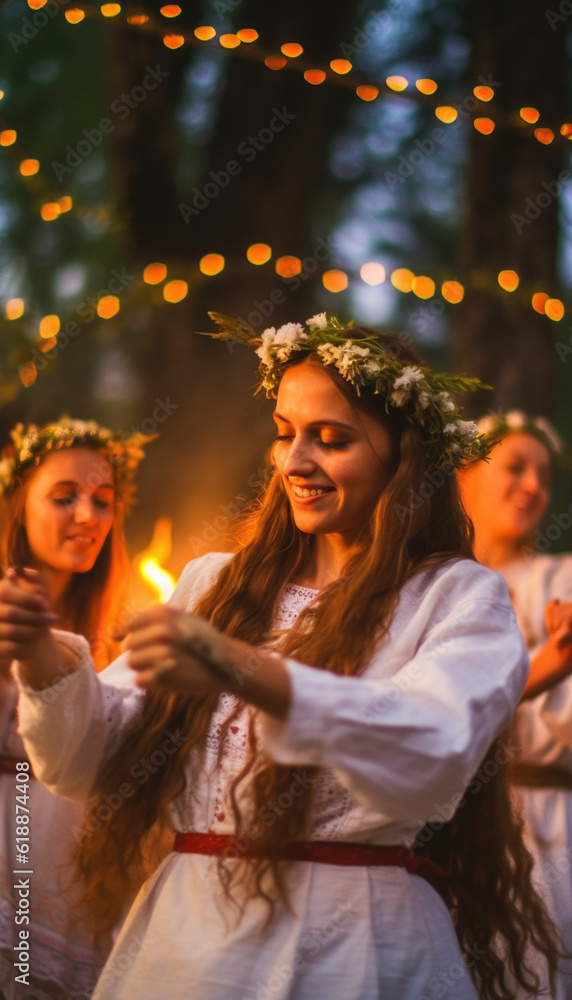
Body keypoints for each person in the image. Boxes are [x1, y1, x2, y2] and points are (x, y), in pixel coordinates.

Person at [0, 317, 560, 1000]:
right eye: (284, 432)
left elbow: (431, 749)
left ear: (402, 458)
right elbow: (94, 761)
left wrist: (241, 667)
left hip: (354, 953)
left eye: (333, 439)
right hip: (185, 948)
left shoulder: (455, 596)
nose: (296, 462)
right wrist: (42, 662)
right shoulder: (214, 584)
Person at [0, 418, 152, 1000]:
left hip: (65, 872)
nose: (88, 515)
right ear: (19, 504)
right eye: (64, 497)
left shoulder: (119, 638)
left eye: (102, 500)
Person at [459, 409, 572, 999]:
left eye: (544, 474)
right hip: (452, 823)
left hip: (548, 825)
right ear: (462, 477)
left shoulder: (562, 581)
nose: (533, 485)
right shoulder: (434, 583)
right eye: (515, 466)